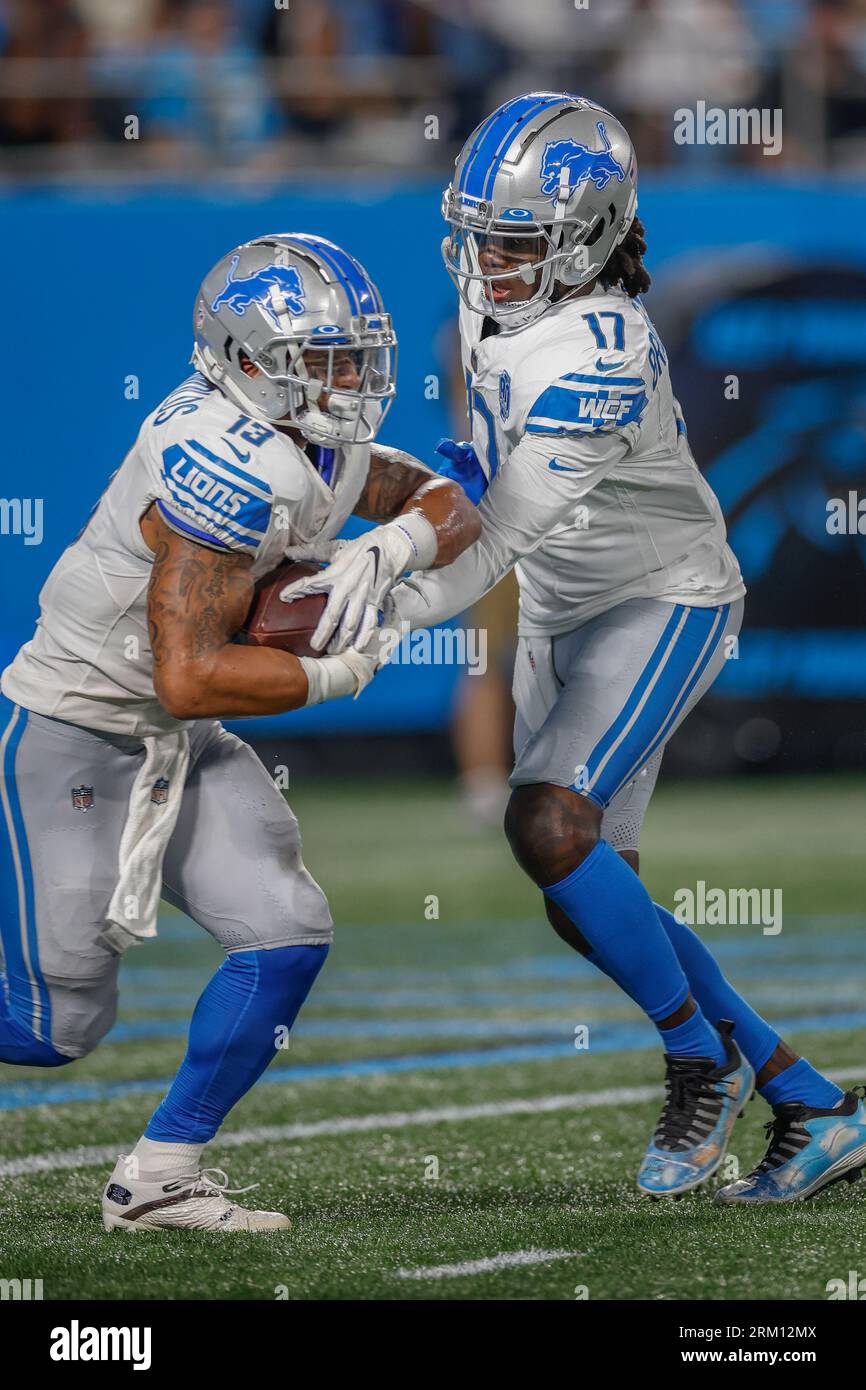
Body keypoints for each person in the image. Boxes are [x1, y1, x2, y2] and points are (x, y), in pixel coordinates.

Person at [306, 93, 866, 1203]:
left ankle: (696, 1061)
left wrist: (380, 602)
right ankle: (808, 1100)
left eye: (516, 241)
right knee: (582, 892)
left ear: (591, 235)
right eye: (480, 236)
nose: (490, 261)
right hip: (565, 606)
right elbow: (482, 477)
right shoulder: (487, 306)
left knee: (544, 819)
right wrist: (413, 518)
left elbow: (498, 536)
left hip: (662, 598)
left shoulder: (601, 349)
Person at [0, 232, 479, 1232]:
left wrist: (392, 544)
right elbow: (187, 675)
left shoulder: (313, 437)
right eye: (325, 359)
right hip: (78, 731)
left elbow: (444, 501)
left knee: (286, 930)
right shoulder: (222, 459)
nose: (349, 379)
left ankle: (159, 1176)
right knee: (57, 1029)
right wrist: (337, 666)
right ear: (244, 359)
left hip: (174, 745)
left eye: (357, 354)